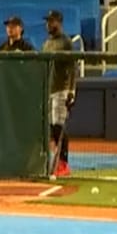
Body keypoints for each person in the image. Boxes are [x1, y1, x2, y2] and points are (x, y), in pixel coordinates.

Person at [43, 11, 77, 178]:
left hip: (62, 89)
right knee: (50, 126)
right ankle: (54, 161)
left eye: (52, 21)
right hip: (49, 89)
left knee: (58, 126)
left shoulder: (66, 42)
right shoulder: (47, 43)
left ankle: (63, 163)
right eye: (48, 22)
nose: (49, 24)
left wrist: (71, 91)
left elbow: (73, 67)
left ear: (59, 22)